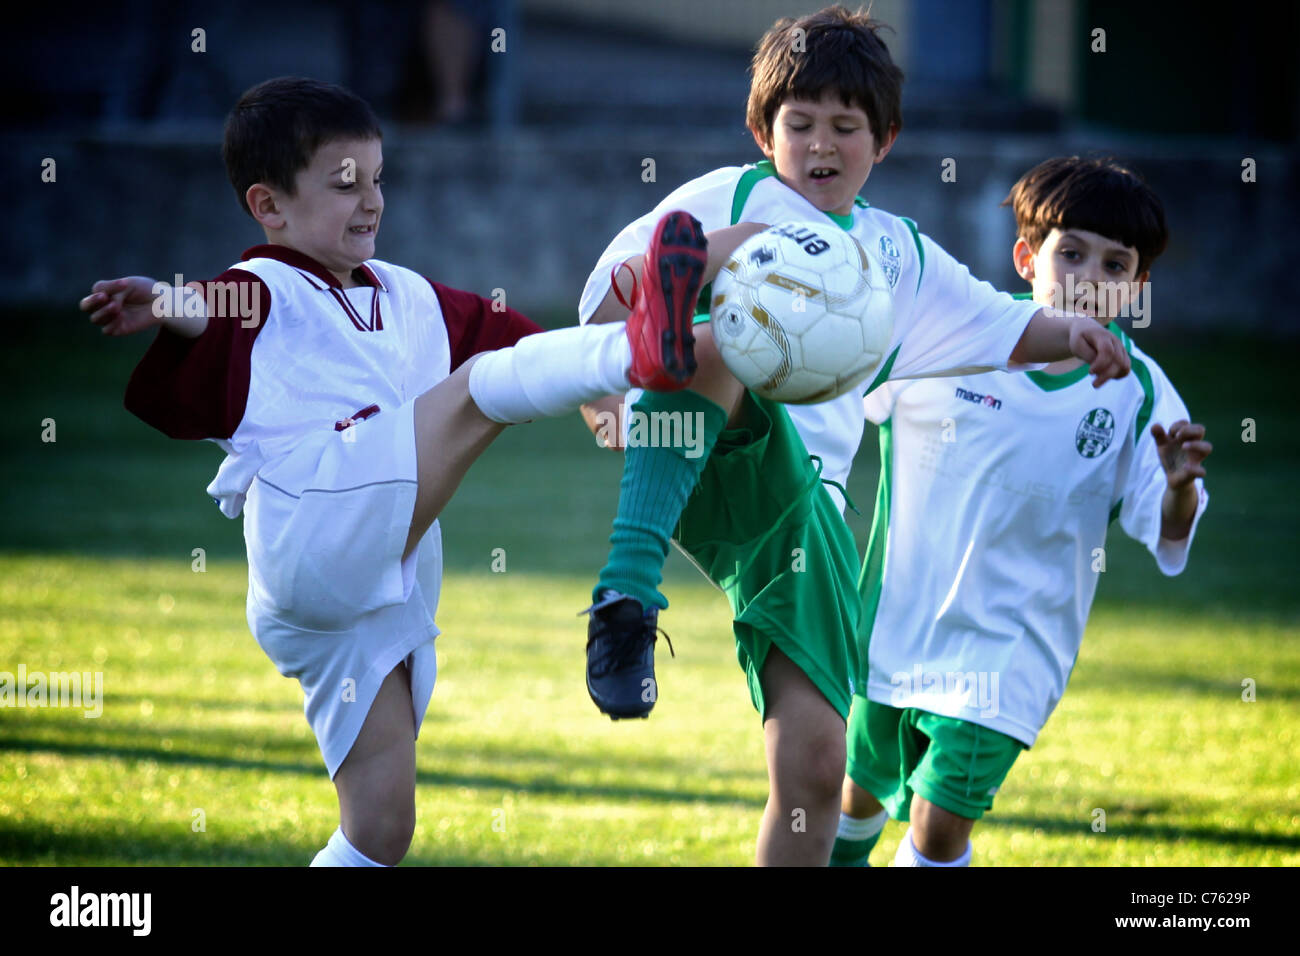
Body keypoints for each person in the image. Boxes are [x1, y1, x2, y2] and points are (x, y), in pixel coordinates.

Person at [78, 76, 710, 866]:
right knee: (477, 391)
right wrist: (167, 303)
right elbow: (216, 307)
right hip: (316, 529)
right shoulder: (266, 288)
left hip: (367, 583)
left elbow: (522, 341)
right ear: (269, 206)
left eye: (378, 179)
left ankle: (637, 353)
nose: (372, 201)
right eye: (345, 184)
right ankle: (643, 344)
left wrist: (607, 407)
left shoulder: (408, 296)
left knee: (379, 827)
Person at [575, 6, 1130, 865]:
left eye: (845, 127)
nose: (820, 145)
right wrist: (611, 408)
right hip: (698, 446)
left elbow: (1003, 325)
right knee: (730, 322)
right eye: (799, 124)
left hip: (811, 514)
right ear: (763, 132)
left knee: (815, 767)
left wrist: (1078, 332)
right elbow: (602, 313)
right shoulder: (728, 197)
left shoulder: (898, 253)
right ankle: (627, 592)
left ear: (886, 140)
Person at [829, 156, 1211, 867]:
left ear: (1137, 289)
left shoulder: (1141, 395)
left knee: (938, 826)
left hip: (1010, 655)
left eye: (1115, 265)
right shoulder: (951, 338)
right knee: (851, 799)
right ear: (1027, 258)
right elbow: (838, 389)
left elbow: (1166, 530)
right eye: (1072, 254)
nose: (1090, 278)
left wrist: (1179, 487)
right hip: (891, 625)